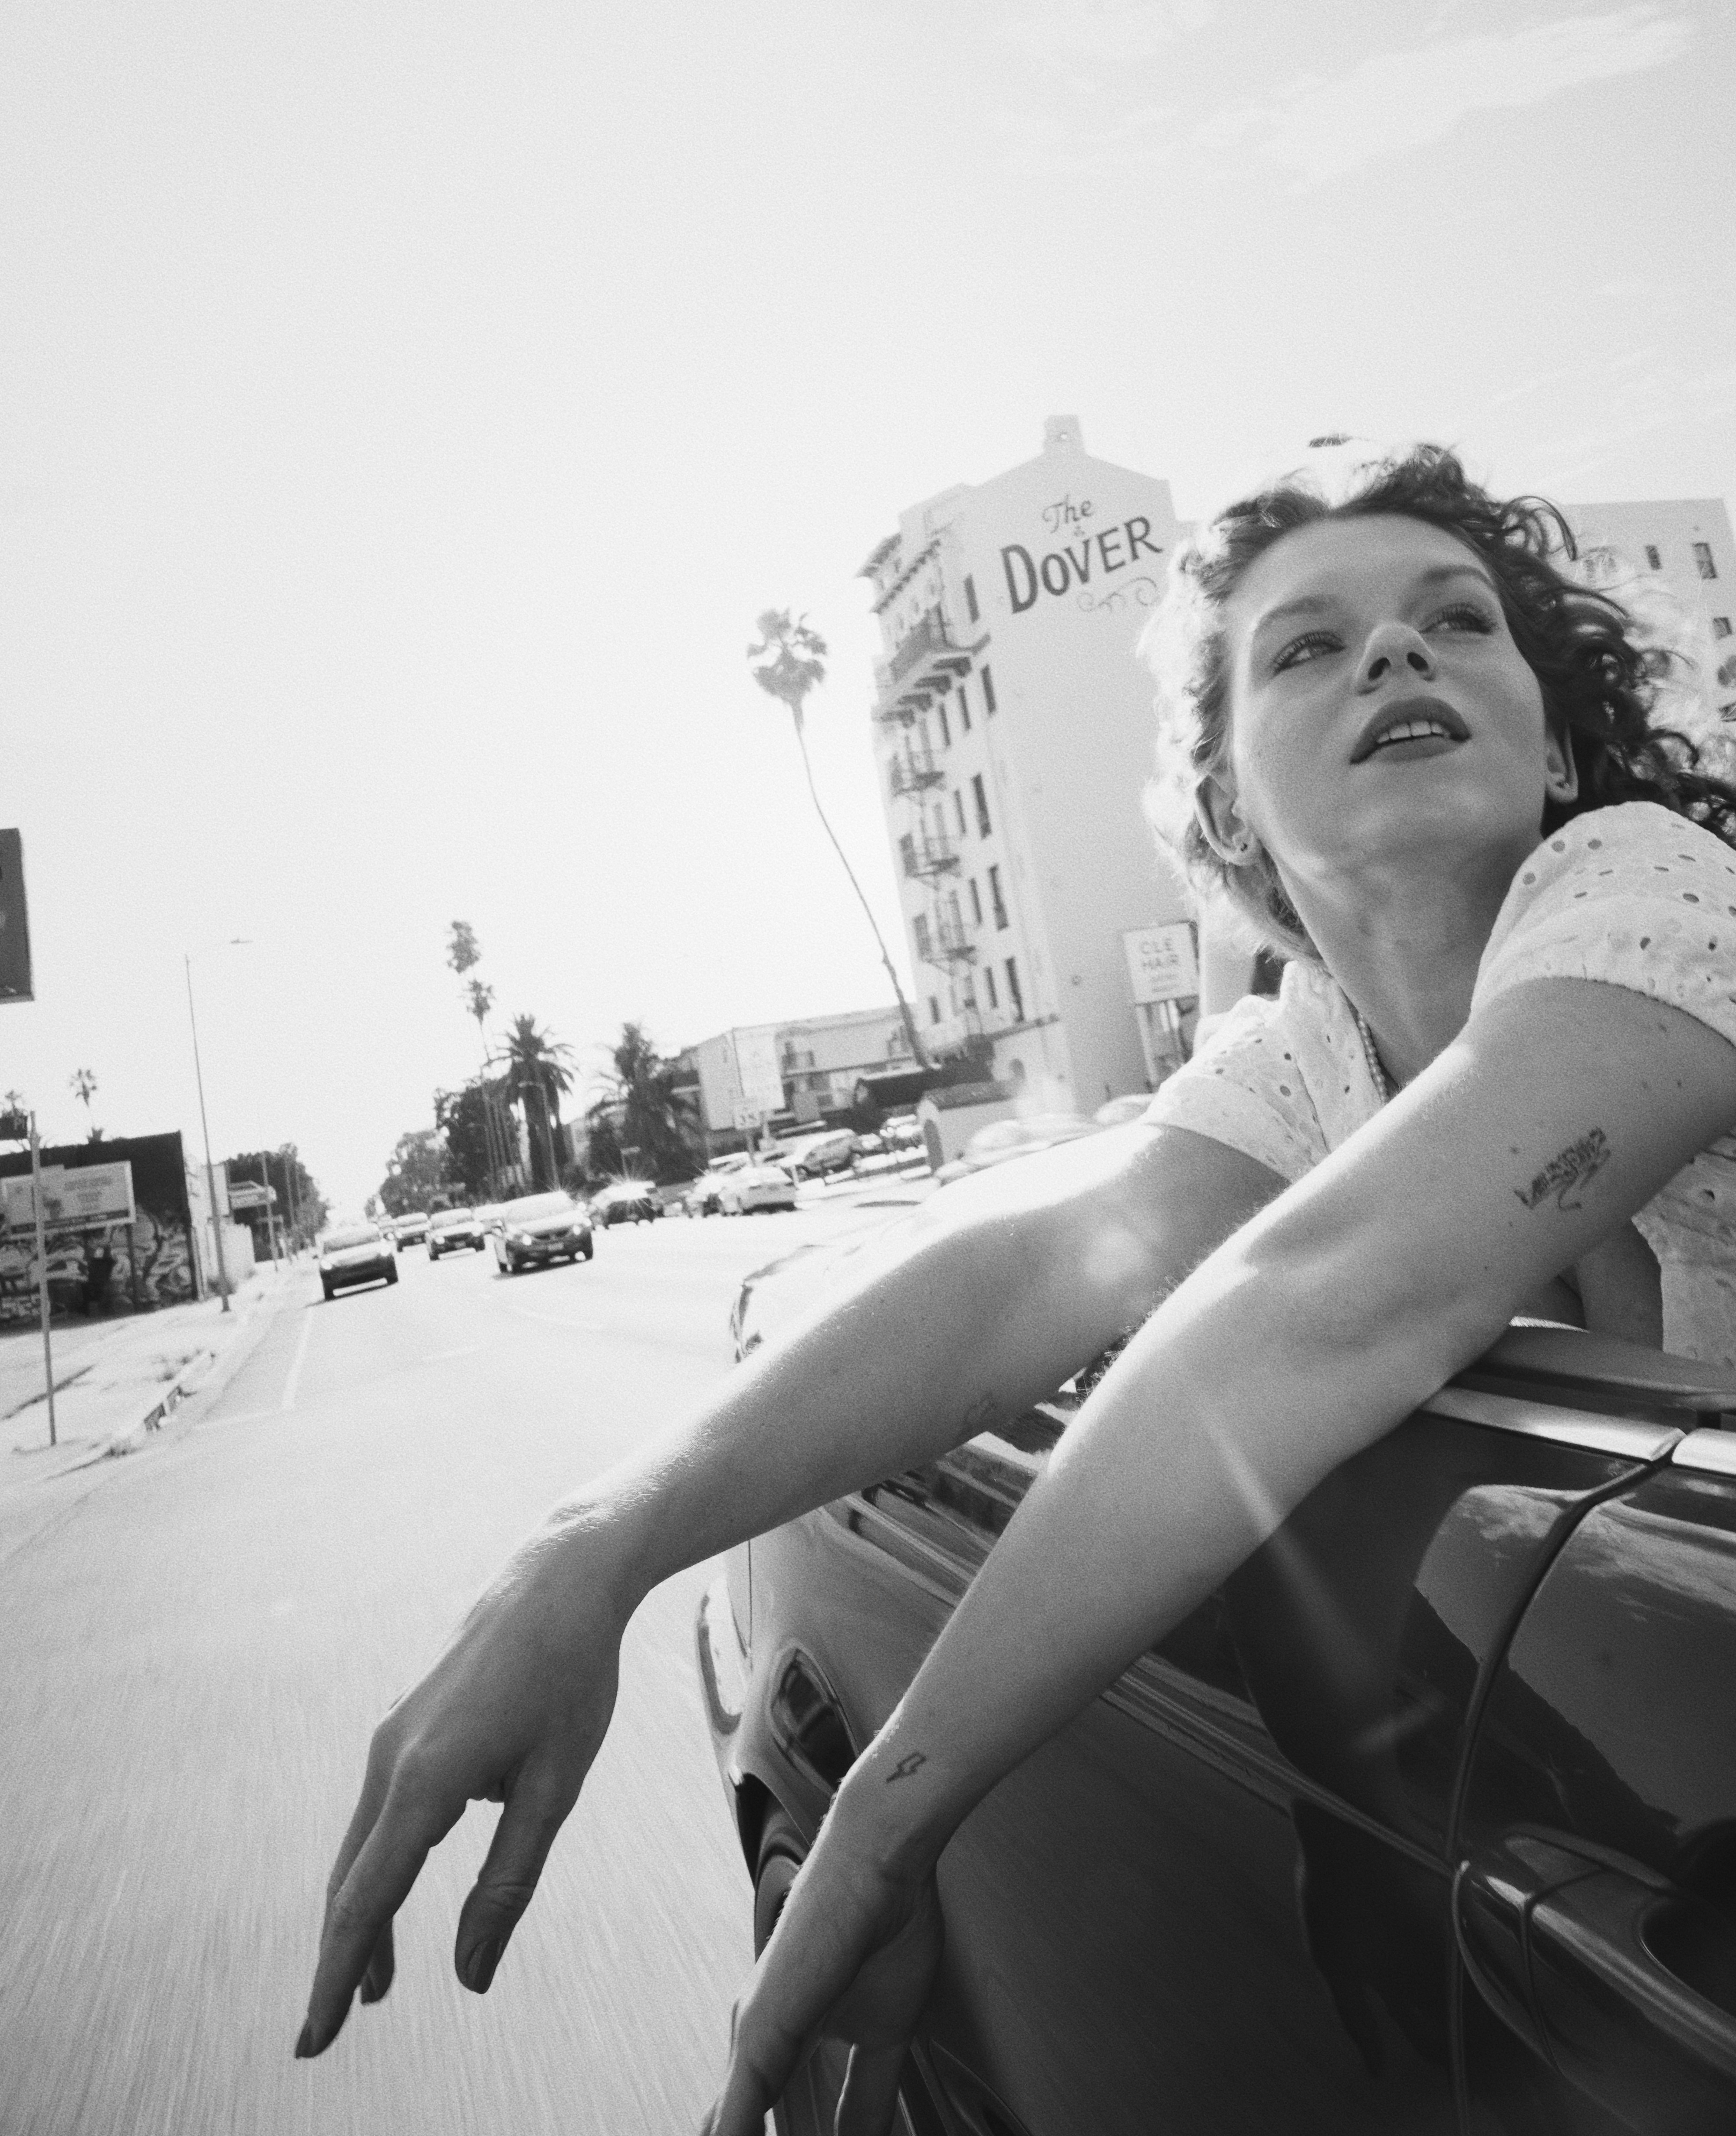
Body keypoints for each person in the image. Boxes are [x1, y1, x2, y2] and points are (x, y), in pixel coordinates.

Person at [294, 446, 1736, 2109]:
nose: (1395, 656)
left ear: (1555, 737)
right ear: (1227, 820)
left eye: (1456, 620)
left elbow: (1323, 1299)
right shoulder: (1317, 1058)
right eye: (1307, 647)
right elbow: (1032, 1277)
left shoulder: (1642, 886)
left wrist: (887, 1816)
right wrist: (592, 1547)